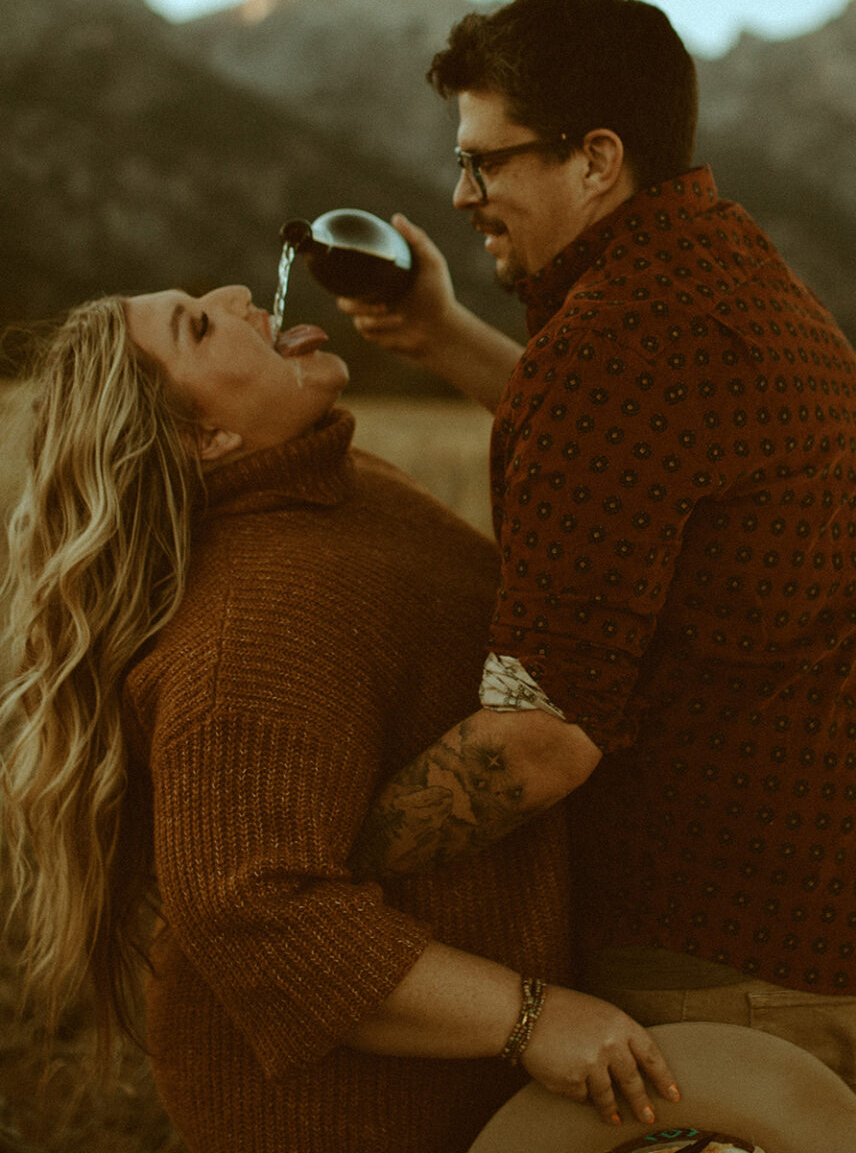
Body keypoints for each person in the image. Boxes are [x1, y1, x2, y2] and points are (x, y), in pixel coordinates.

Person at [338, 0, 856, 1097]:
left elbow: (539, 744)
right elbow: (634, 472)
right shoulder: (709, 272)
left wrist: (310, 864)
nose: (460, 192)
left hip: (714, 954)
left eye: (487, 161)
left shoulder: (616, 343)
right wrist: (440, 334)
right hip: (831, 929)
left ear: (596, 158)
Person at [0, 284, 680, 1153]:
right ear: (202, 437)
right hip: (341, 1120)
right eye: (199, 325)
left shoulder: (345, 488)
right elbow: (251, 908)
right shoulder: (250, 630)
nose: (239, 294)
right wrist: (535, 1021)